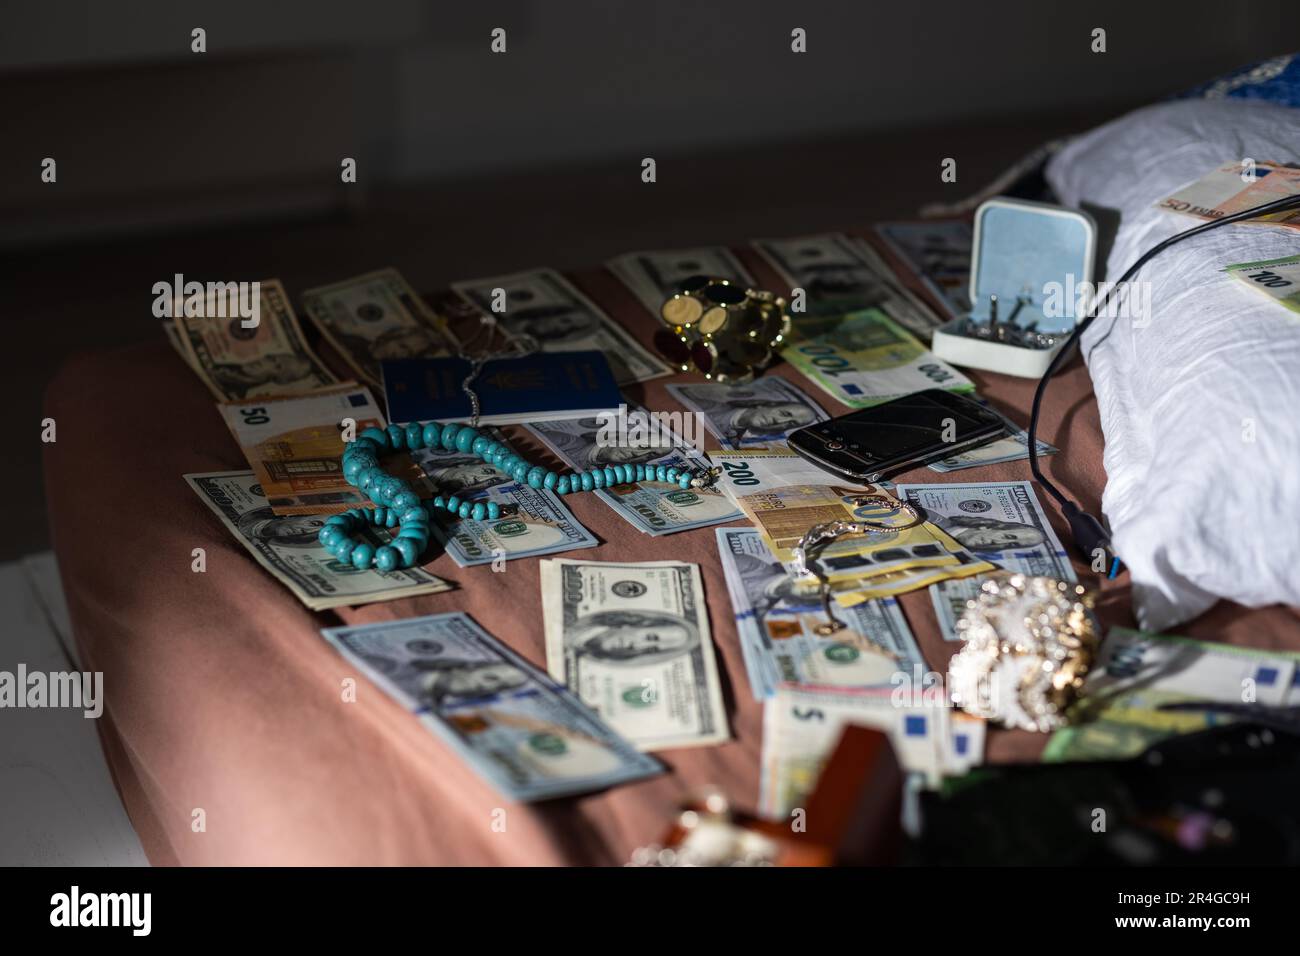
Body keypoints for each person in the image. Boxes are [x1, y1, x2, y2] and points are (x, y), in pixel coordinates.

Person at [567, 610, 696, 664]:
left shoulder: (592, 655)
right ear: (629, 625)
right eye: (650, 637)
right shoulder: (578, 624)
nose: (638, 647)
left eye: (652, 649)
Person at [936, 514, 1046, 552]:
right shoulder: (935, 519)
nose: (999, 542)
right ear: (988, 527)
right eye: (1008, 536)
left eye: (1013, 544)